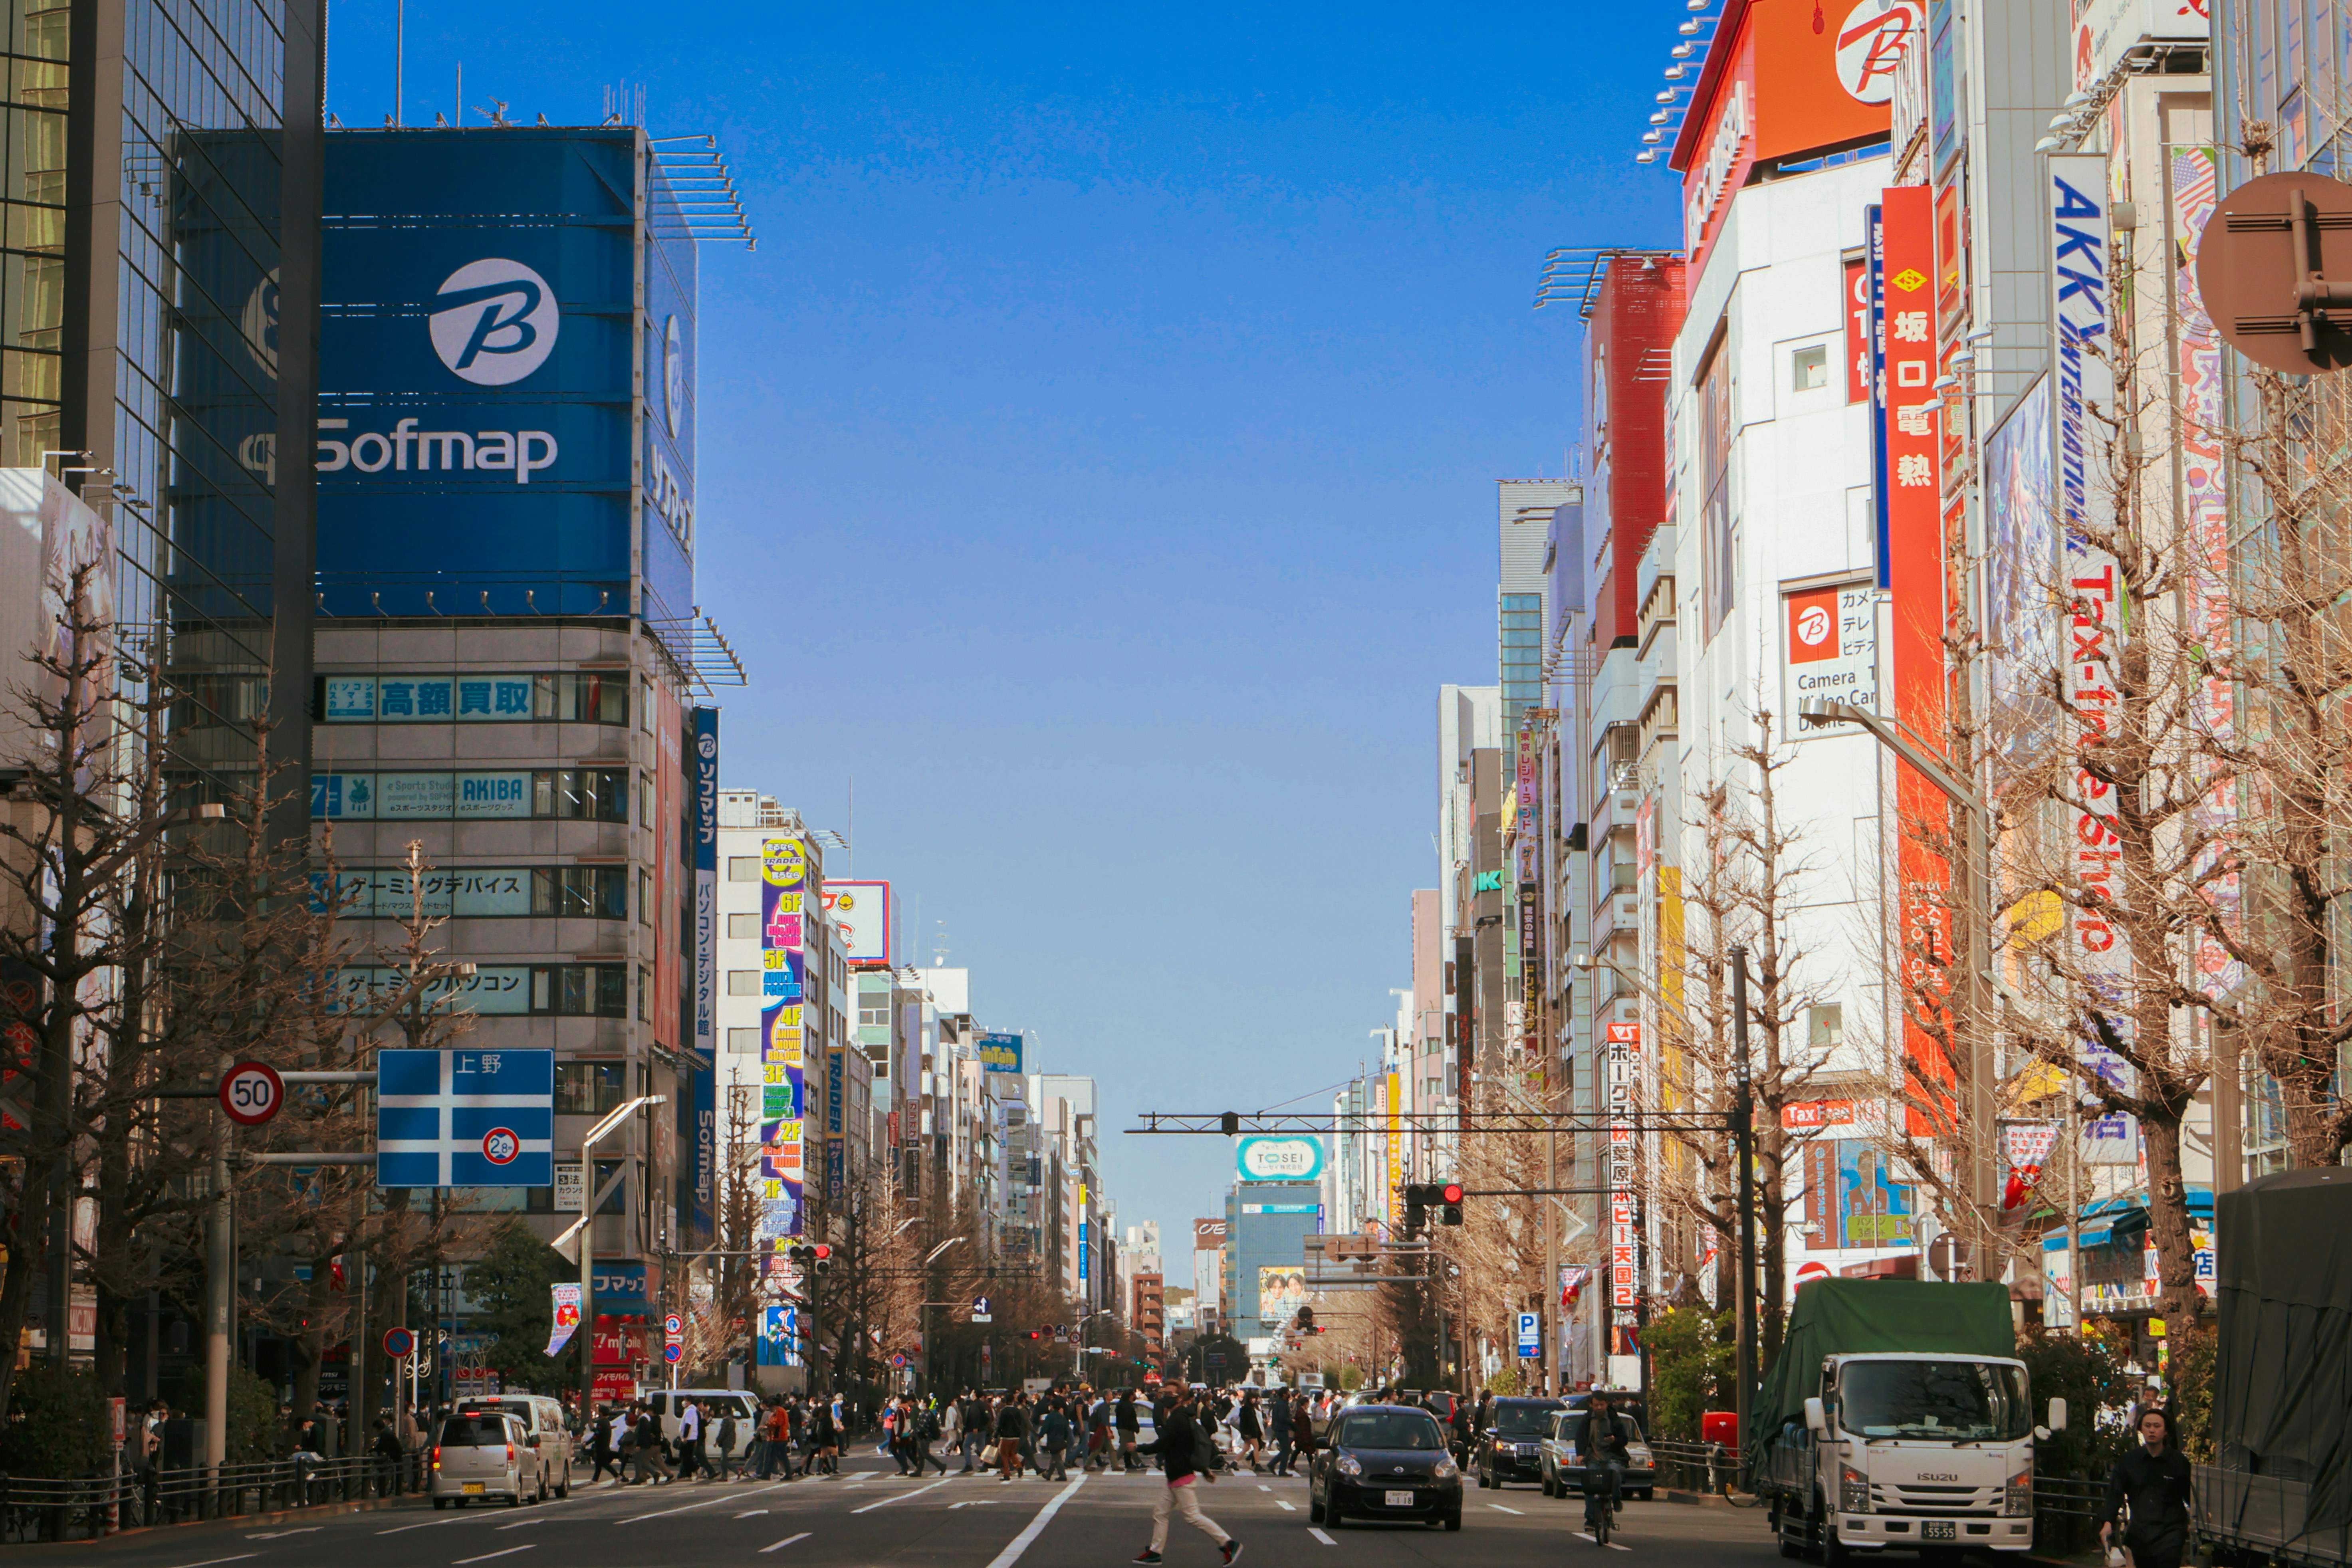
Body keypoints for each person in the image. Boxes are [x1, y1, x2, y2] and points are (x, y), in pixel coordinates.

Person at [1131, 1386, 1240, 1566]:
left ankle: (1228, 1544)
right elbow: (1188, 1448)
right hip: (1176, 1476)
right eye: (1164, 1393)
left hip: (1181, 1476)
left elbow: (1164, 1444)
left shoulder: (1179, 1420)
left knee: (1192, 1516)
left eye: (1169, 1394)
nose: (1164, 1397)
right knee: (1160, 1513)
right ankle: (1155, 1552)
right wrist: (1205, 1471)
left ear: (1180, 1398)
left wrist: (1138, 1448)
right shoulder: (1179, 1417)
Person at [2102, 1406, 2195, 1568]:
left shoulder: (2178, 1462)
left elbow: (2190, 1495)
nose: (2152, 1431)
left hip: (2171, 1530)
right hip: (2141, 1532)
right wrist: (2108, 1522)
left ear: (2166, 1431)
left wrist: (2201, 1515)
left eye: (2157, 1426)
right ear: (2141, 1429)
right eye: (2148, 1426)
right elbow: (2115, 1492)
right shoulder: (2129, 1461)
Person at [1583, 1394, 1631, 1533]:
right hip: (1594, 1457)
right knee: (1590, 1486)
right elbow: (1581, 1437)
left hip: (1613, 1457)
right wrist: (1581, 1455)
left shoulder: (1614, 1420)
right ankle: (1590, 1519)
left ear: (1607, 1405)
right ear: (1591, 1405)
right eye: (1596, 1405)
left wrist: (1614, 1441)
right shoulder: (1587, 1420)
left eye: (1602, 1405)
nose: (1599, 1408)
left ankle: (1616, 1499)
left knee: (1615, 1474)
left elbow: (1624, 1439)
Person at [1039, 1396, 1073, 1482]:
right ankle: (1048, 1474)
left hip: (1053, 1440)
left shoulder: (1050, 1417)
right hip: (1061, 1440)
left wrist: (1040, 1436)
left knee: (1057, 1458)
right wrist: (1065, 1438)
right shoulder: (1062, 1417)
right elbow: (1067, 1430)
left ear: (1053, 1407)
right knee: (1055, 1458)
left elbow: (1045, 1428)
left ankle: (1062, 1475)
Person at [997, 1394, 1028, 1482]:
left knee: (1004, 1455)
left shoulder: (1004, 1411)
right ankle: (1019, 1467)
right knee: (1012, 1453)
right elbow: (1020, 1422)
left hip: (1007, 1436)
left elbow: (1001, 1425)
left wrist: (997, 1435)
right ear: (1013, 1401)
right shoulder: (1017, 1411)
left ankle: (1007, 1474)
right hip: (1017, 1436)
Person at [1117, 1389, 1143, 1472]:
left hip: (1124, 1428)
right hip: (1126, 1429)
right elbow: (1129, 1420)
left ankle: (1137, 1463)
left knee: (1131, 1446)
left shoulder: (1122, 1404)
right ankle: (1114, 1462)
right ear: (1131, 1396)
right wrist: (1135, 1427)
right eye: (1133, 1395)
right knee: (1124, 1447)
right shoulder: (1127, 1406)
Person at [714, 1407, 740, 1482]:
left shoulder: (726, 1420)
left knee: (723, 1461)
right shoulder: (731, 1420)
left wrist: (718, 1440)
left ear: (726, 1411)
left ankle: (737, 1470)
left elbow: (723, 1432)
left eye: (723, 1410)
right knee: (723, 1459)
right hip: (731, 1441)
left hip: (727, 1442)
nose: (722, 1412)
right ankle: (724, 1476)